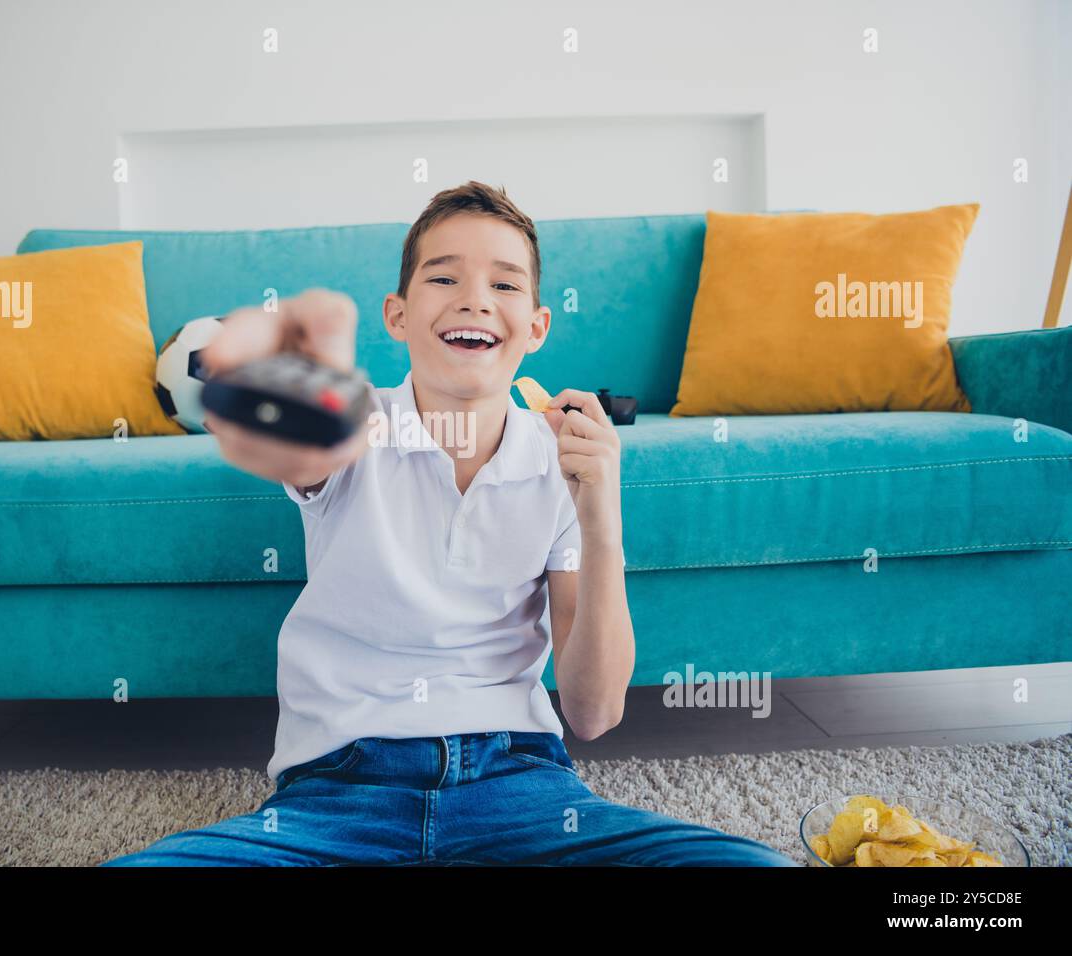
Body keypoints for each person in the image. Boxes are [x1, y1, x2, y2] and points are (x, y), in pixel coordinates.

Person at [101, 181, 799, 866]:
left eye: (504, 284)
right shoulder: (351, 425)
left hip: (520, 787)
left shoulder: (557, 464)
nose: (474, 298)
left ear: (536, 326)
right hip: (339, 795)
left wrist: (601, 520)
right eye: (444, 278)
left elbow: (593, 713)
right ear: (397, 316)